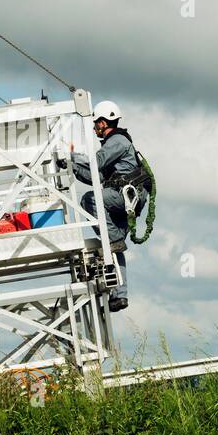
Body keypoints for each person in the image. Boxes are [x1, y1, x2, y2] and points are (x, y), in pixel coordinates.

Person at [62, 100, 141, 312]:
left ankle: (113, 238)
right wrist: (73, 167)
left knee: (90, 200)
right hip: (118, 198)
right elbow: (94, 177)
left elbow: (95, 162)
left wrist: (71, 156)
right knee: (112, 249)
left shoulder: (117, 141)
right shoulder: (112, 146)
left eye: (97, 123)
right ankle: (119, 295)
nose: (95, 127)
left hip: (122, 197)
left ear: (104, 122)